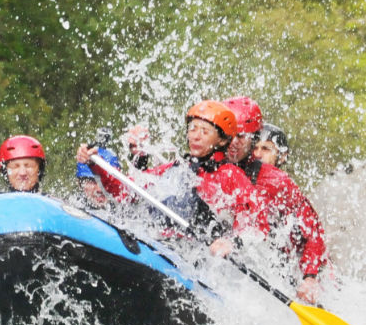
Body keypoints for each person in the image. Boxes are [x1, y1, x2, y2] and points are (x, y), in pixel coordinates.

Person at [75, 100, 262, 251]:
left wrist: (232, 243)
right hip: (165, 249)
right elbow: (126, 192)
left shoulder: (230, 175)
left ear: (221, 140)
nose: (195, 136)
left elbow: (256, 225)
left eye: (205, 131)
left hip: (201, 260)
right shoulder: (175, 168)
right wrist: (96, 164)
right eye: (193, 129)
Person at [247, 122, 328, 304]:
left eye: (266, 149)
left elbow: (314, 235)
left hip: (303, 268)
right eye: (255, 148)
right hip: (271, 262)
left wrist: (310, 277)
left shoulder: (284, 187)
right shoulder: (244, 179)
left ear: (282, 156)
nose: (257, 154)